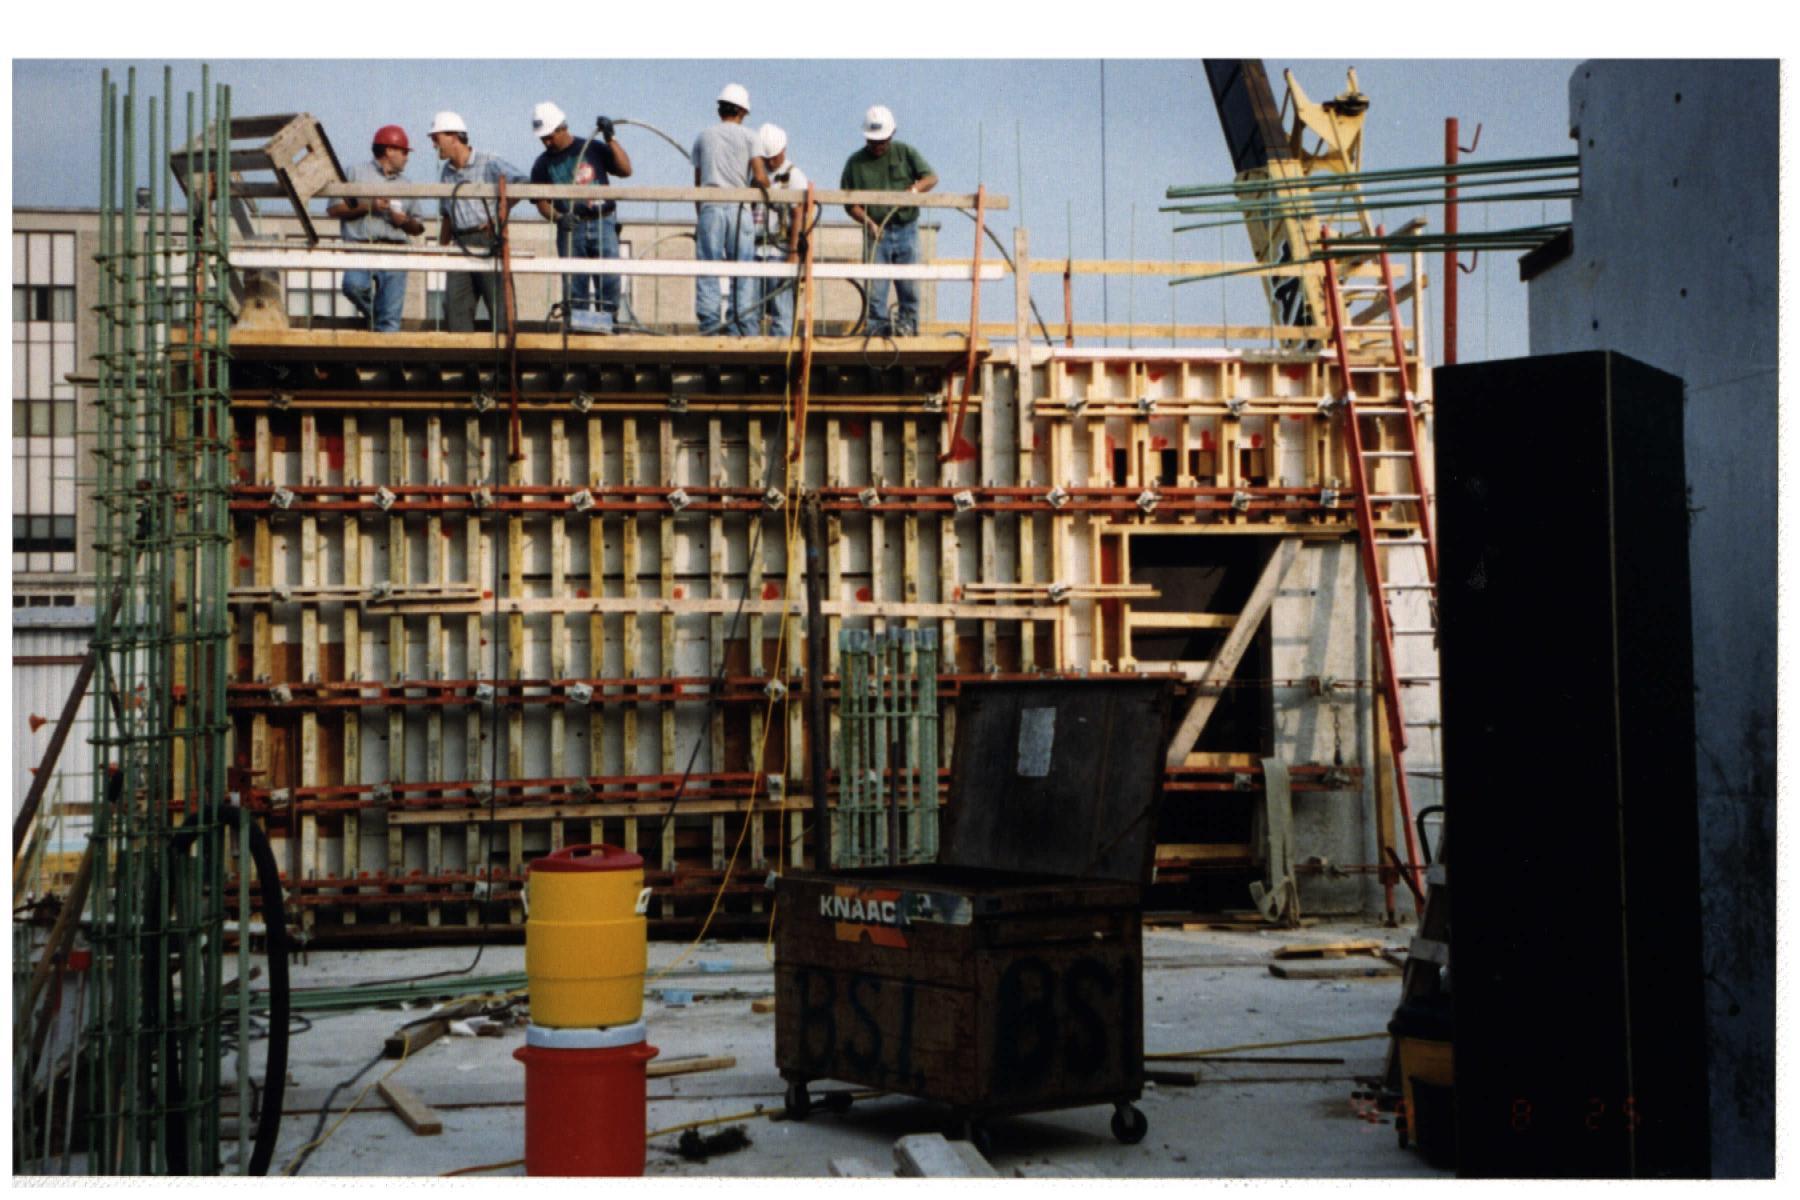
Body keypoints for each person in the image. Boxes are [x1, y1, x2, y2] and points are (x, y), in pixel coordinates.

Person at [529, 101, 633, 323]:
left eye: (549, 136)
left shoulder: (592, 148)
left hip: (602, 222)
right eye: (542, 138)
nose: (546, 142)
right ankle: (580, 341)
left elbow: (625, 170)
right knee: (575, 289)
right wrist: (558, 218)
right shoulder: (542, 164)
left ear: (562, 127)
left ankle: (609, 338)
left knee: (609, 284)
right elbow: (541, 202)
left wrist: (610, 139)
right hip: (571, 228)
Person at [839, 105, 937, 337]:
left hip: (906, 228)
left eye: (882, 141)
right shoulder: (855, 163)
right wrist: (868, 222)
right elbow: (849, 203)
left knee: (909, 283)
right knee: (875, 286)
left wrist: (913, 191)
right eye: (874, 142)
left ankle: (908, 327)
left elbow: (931, 178)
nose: (878, 146)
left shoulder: (905, 153)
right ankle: (875, 327)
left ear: (891, 135)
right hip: (876, 231)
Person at [428, 111, 528, 332]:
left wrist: (499, 217)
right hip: (460, 242)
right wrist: (441, 250)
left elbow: (522, 182)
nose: (434, 145)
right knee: (455, 307)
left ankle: (504, 361)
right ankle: (465, 363)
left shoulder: (488, 161)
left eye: (437, 139)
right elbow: (447, 214)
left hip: (487, 239)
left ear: (453, 136)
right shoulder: (447, 172)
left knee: (500, 306)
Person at [326, 125, 426, 332]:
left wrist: (402, 221)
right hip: (360, 246)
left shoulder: (407, 185)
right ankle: (379, 317)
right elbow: (334, 208)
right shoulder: (354, 172)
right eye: (405, 152)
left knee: (390, 322)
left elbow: (418, 227)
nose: (407, 157)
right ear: (389, 150)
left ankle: (385, 361)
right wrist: (368, 206)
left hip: (395, 251)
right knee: (353, 286)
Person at [690, 83, 770, 336]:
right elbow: (760, 177)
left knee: (708, 267)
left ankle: (710, 326)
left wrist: (702, 215)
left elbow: (698, 183)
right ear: (742, 111)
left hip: (711, 207)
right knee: (743, 269)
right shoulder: (750, 137)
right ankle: (741, 324)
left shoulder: (704, 136)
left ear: (720, 110)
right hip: (739, 210)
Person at [752, 123, 808, 338]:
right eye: (766, 159)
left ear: (783, 150)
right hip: (755, 251)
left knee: (781, 311)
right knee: (751, 309)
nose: (770, 162)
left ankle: (780, 355)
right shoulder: (756, 174)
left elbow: (799, 216)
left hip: (780, 252)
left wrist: (793, 253)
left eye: (773, 157)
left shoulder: (794, 176)